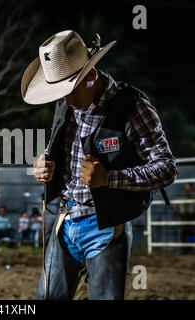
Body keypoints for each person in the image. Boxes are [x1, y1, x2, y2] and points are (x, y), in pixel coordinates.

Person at [21, 30, 177, 300]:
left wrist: (109, 179)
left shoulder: (133, 107)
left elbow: (166, 168)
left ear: (91, 77)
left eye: (69, 90)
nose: (65, 99)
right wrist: (43, 165)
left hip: (106, 226)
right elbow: (54, 151)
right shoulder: (67, 106)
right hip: (65, 219)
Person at [174, 183, 195, 254]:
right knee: (183, 233)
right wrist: (177, 211)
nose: (186, 187)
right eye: (185, 185)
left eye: (187, 185)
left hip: (192, 215)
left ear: (191, 186)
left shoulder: (193, 196)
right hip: (183, 215)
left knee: (191, 233)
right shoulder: (182, 196)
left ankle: (191, 249)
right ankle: (184, 250)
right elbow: (175, 203)